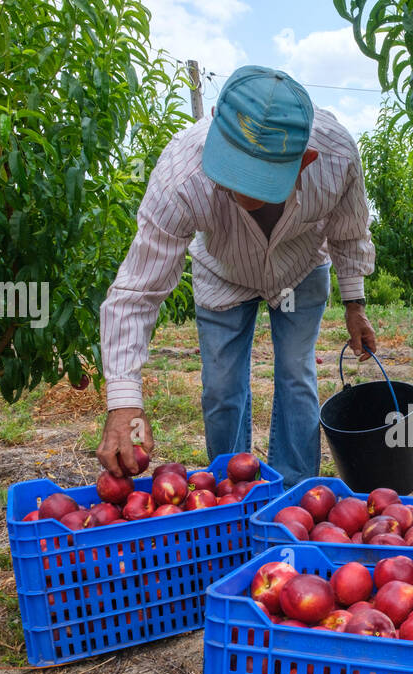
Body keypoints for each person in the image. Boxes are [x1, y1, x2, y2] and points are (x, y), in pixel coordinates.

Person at [96, 65, 377, 484]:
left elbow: (349, 232)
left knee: (296, 374)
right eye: (229, 167)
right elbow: (137, 291)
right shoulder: (182, 176)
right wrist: (123, 403)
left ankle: (295, 490)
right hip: (222, 271)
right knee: (222, 389)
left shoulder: (336, 157)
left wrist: (355, 305)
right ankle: (227, 489)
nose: (234, 185)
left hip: (300, 268)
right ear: (213, 123)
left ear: (305, 161)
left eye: (256, 177)